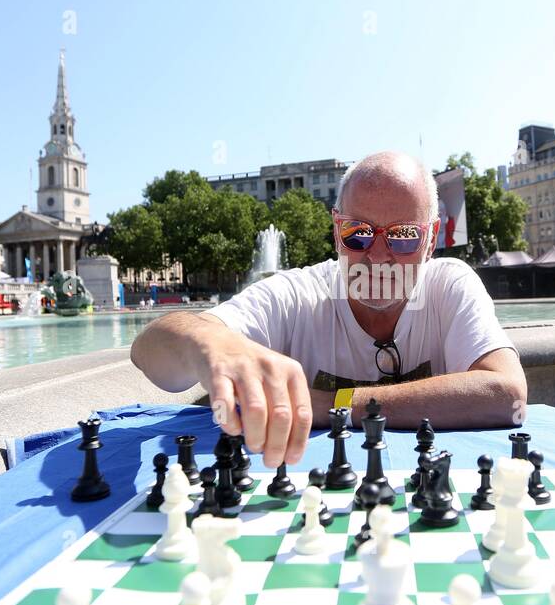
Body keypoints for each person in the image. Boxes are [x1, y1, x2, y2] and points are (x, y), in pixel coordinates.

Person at [130, 151, 527, 468]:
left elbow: (506, 393)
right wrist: (206, 342)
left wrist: (329, 404)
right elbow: (149, 350)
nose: (378, 255)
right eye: (359, 233)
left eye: (404, 236)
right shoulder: (295, 294)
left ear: (431, 238)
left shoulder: (449, 283)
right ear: (337, 229)